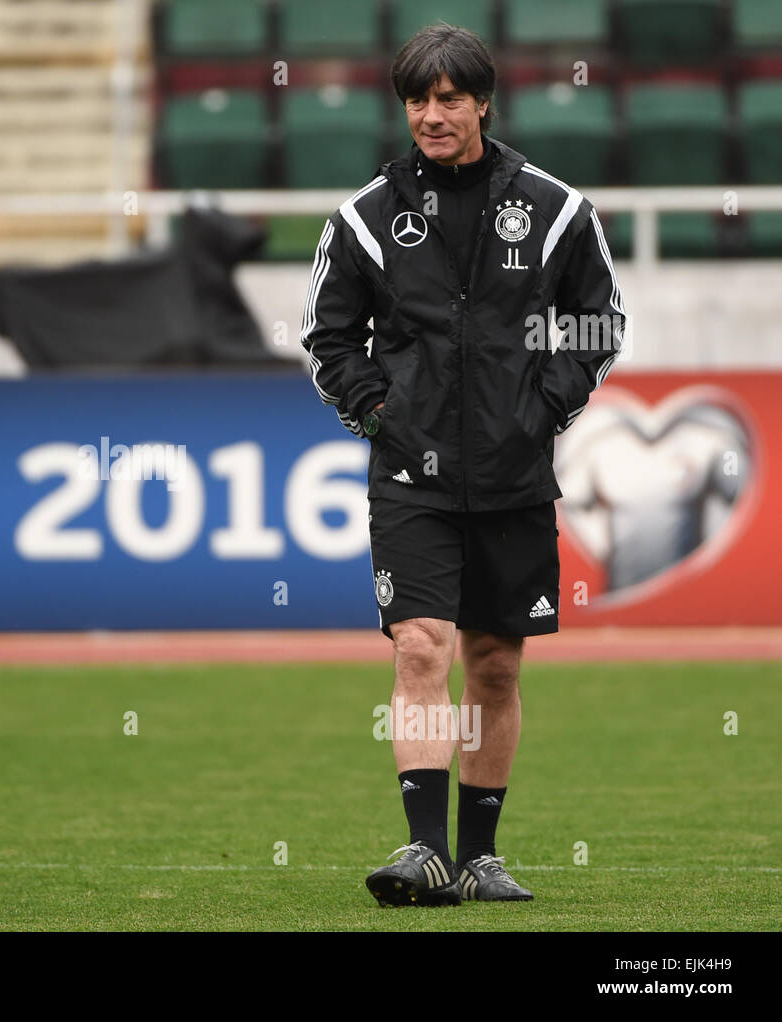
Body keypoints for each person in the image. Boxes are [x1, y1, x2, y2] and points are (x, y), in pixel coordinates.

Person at [300, 23, 626, 906]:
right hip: (413, 480)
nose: (432, 115)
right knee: (420, 647)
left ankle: (480, 858)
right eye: (417, 99)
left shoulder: (555, 210)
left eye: (449, 98)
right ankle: (423, 851)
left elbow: (600, 323)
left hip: (516, 477)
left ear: (482, 101)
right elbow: (326, 336)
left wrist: (543, 406)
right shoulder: (366, 219)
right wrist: (378, 413)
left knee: (494, 667)